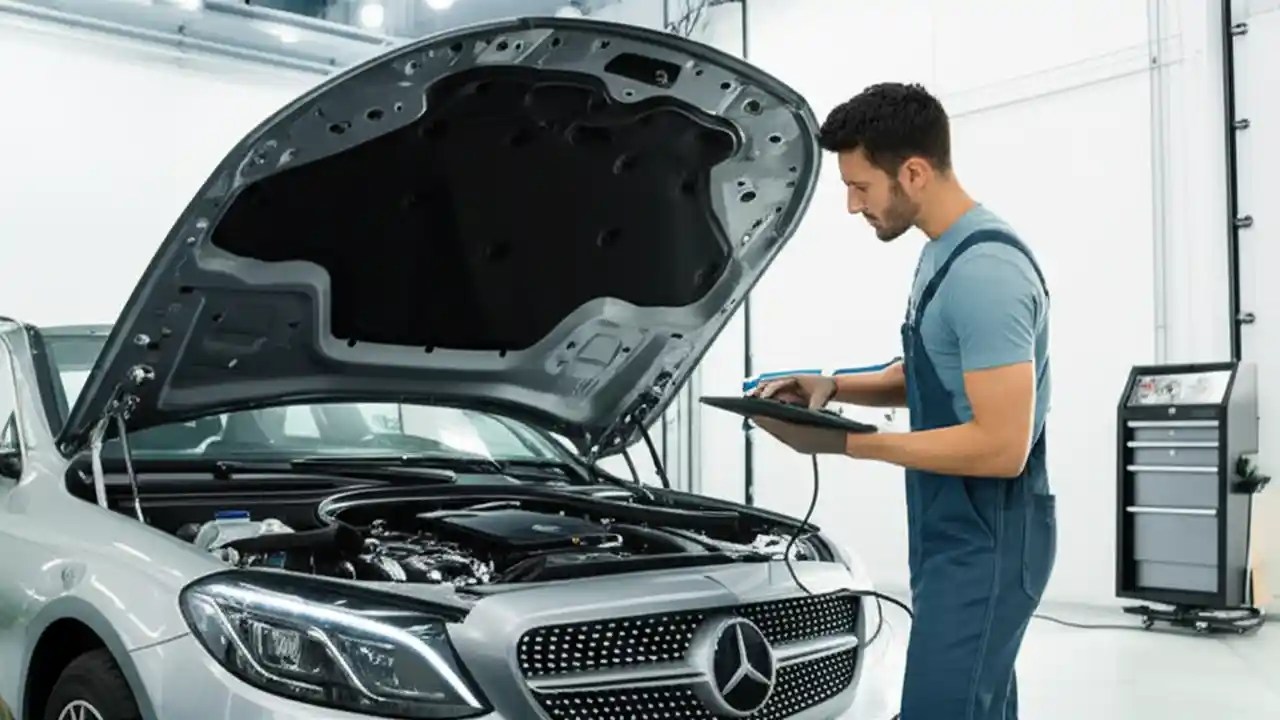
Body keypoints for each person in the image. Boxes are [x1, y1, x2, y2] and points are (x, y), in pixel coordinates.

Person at [749, 82, 1056, 720]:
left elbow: (1002, 447)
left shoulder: (987, 274)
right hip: (954, 529)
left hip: (991, 539)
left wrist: (845, 443)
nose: (851, 204)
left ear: (913, 173)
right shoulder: (943, 251)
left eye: (860, 187)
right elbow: (931, 373)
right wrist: (832, 385)